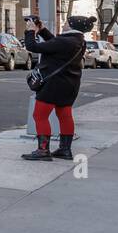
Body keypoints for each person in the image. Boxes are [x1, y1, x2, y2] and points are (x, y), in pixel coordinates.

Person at [21, 15, 91, 161]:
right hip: (70, 84)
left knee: (40, 115)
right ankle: (65, 150)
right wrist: (41, 30)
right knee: (64, 114)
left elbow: (32, 47)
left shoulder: (65, 41)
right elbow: (55, 44)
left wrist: (30, 31)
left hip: (53, 84)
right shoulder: (78, 41)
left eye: (67, 22)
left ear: (72, 26)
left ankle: (43, 150)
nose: (65, 24)